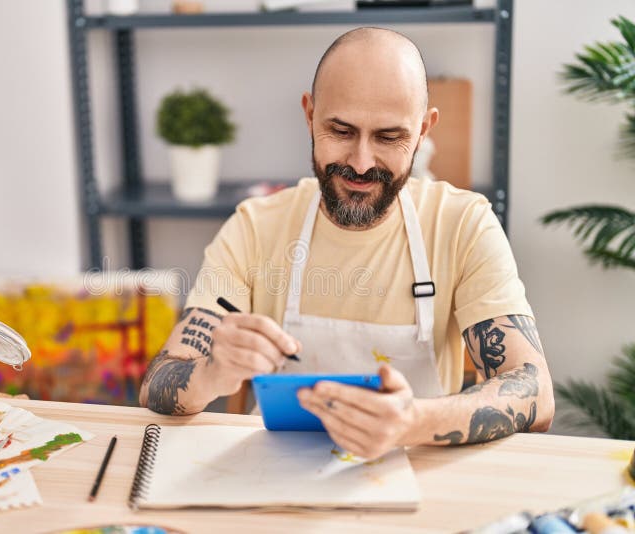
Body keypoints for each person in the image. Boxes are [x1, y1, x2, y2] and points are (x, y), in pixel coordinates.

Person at [139, 27, 554, 460]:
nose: (360, 162)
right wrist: (209, 373)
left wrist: (412, 421)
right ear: (309, 115)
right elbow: (157, 384)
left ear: (424, 129)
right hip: (274, 481)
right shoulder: (255, 227)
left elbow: (536, 393)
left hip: (416, 482)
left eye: (389, 137)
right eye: (340, 130)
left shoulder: (462, 225)